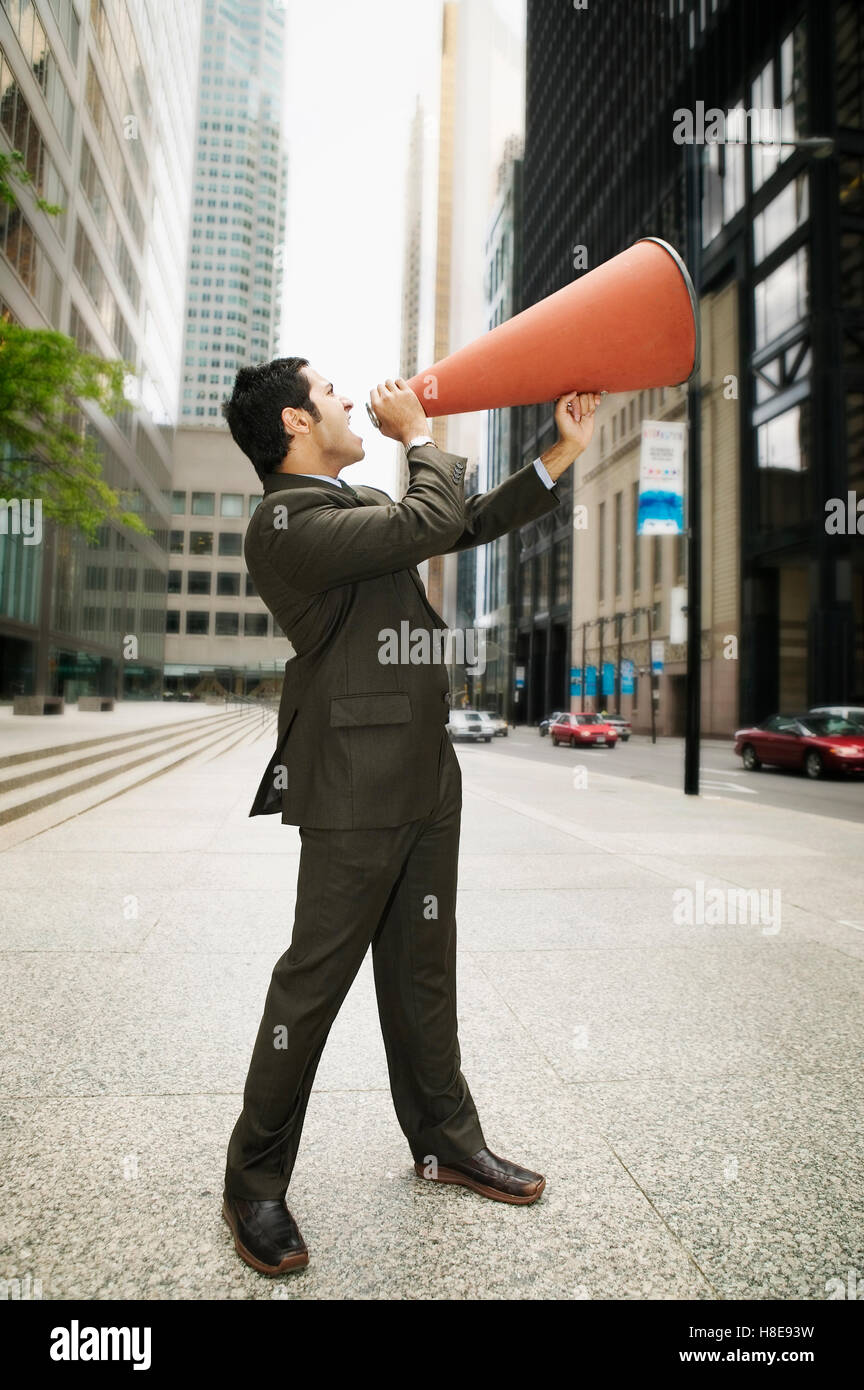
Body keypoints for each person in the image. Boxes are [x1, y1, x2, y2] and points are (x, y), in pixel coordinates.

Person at [219, 358, 599, 1274]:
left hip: (424, 770)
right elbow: (428, 512)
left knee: (425, 969)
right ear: (293, 422)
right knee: (311, 983)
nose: (350, 400)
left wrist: (558, 455)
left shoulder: (344, 505)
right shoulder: (285, 520)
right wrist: (420, 438)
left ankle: (446, 1143)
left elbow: (456, 520)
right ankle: (253, 1184)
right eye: (330, 393)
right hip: (355, 783)